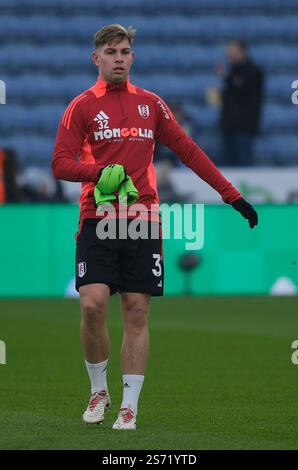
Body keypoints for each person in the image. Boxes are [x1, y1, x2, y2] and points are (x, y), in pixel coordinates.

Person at [52, 24, 258, 431]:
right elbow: (60, 163)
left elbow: (188, 151)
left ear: (133, 56)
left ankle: (129, 405)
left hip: (143, 218)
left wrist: (231, 195)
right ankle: (99, 390)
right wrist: (98, 172)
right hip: (98, 218)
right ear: (97, 59)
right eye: (111, 52)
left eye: (125, 51)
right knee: (92, 305)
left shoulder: (151, 104)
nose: (119, 58)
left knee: (137, 310)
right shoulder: (81, 106)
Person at [217, 40, 264, 166]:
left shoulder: (254, 71)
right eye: (229, 52)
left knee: (243, 165)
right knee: (228, 166)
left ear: (244, 52)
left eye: (233, 52)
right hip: (229, 127)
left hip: (244, 128)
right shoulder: (234, 71)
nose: (230, 55)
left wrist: (226, 77)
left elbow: (241, 90)